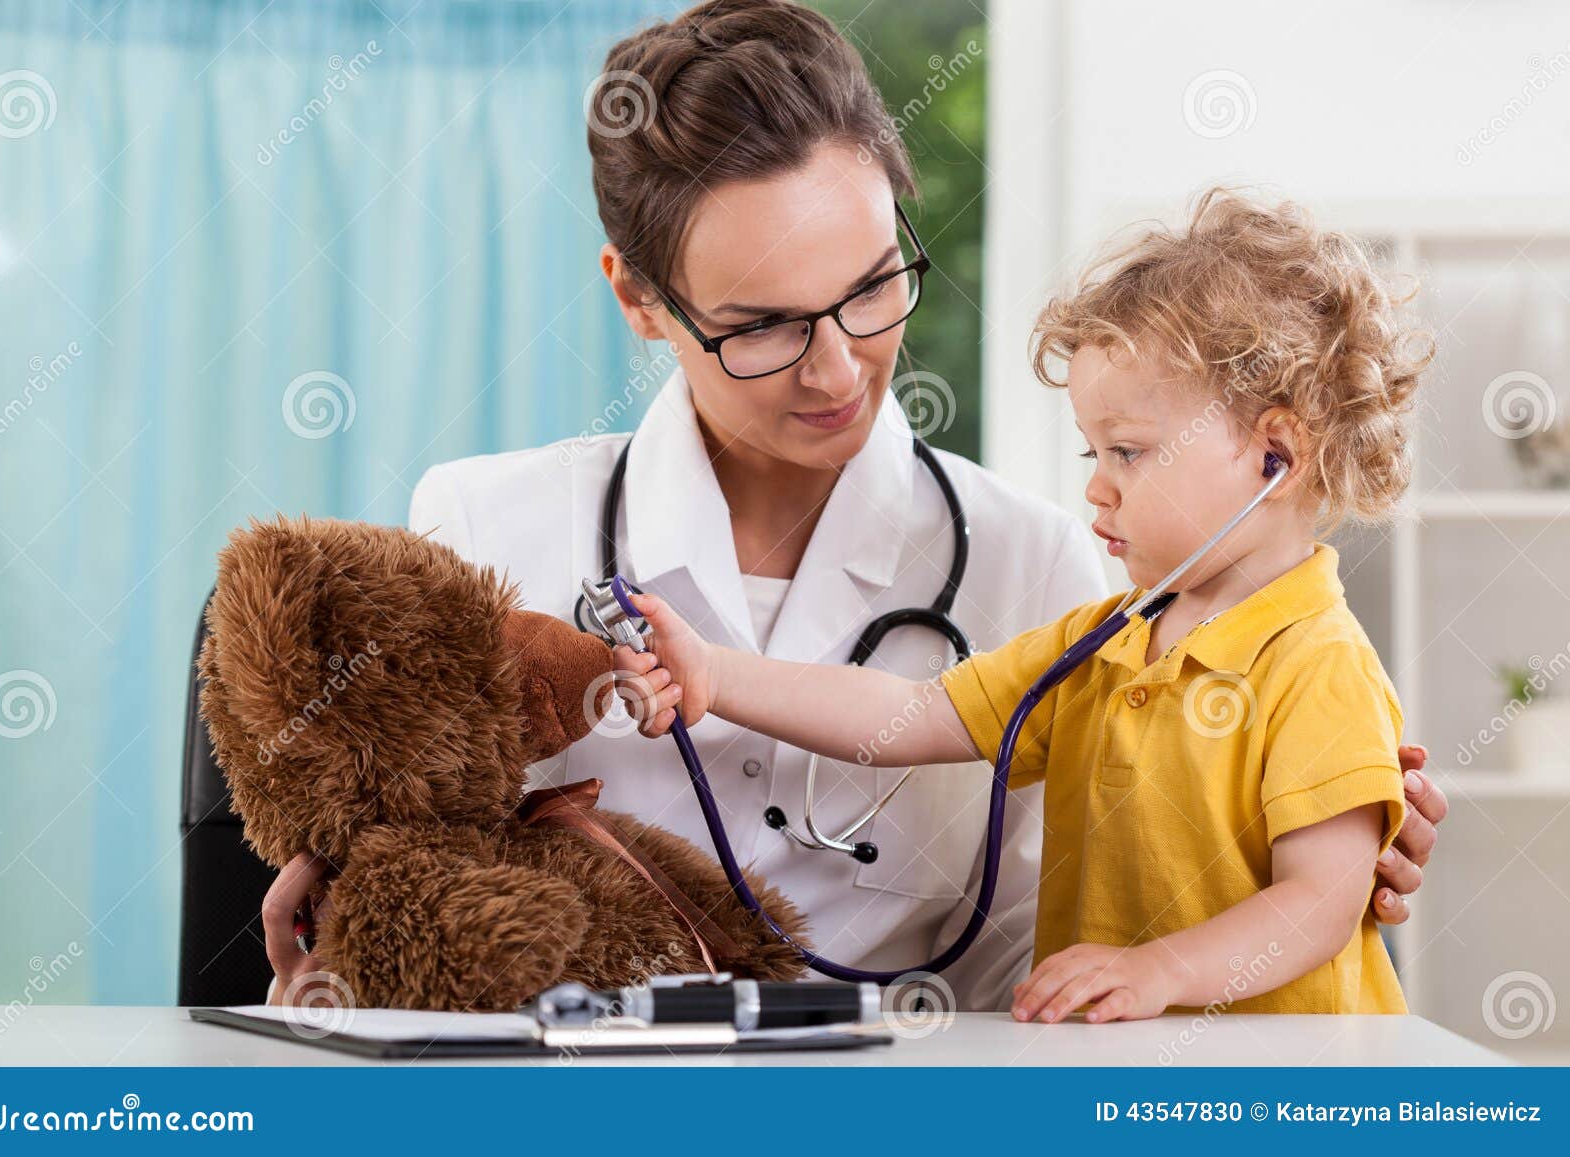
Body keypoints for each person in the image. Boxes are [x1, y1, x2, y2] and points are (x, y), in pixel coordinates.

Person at [261, 0, 1444, 1011]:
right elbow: (400, 853)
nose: (836, 369)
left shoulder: (1042, 564)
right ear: (640, 298)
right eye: (763, 324)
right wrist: (351, 892)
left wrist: (1277, 848)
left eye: (872, 288)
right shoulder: (480, 526)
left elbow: (1053, 944)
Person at [613, 187, 1434, 1020]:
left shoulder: (1320, 665)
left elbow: (1319, 904)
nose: (1097, 486)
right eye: (1092, 452)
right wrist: (715, 674)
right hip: (1120, 1063)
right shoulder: (1103, 642)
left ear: (1274, 455)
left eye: (1128, 451)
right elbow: (911, 715)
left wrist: (1161, 972)